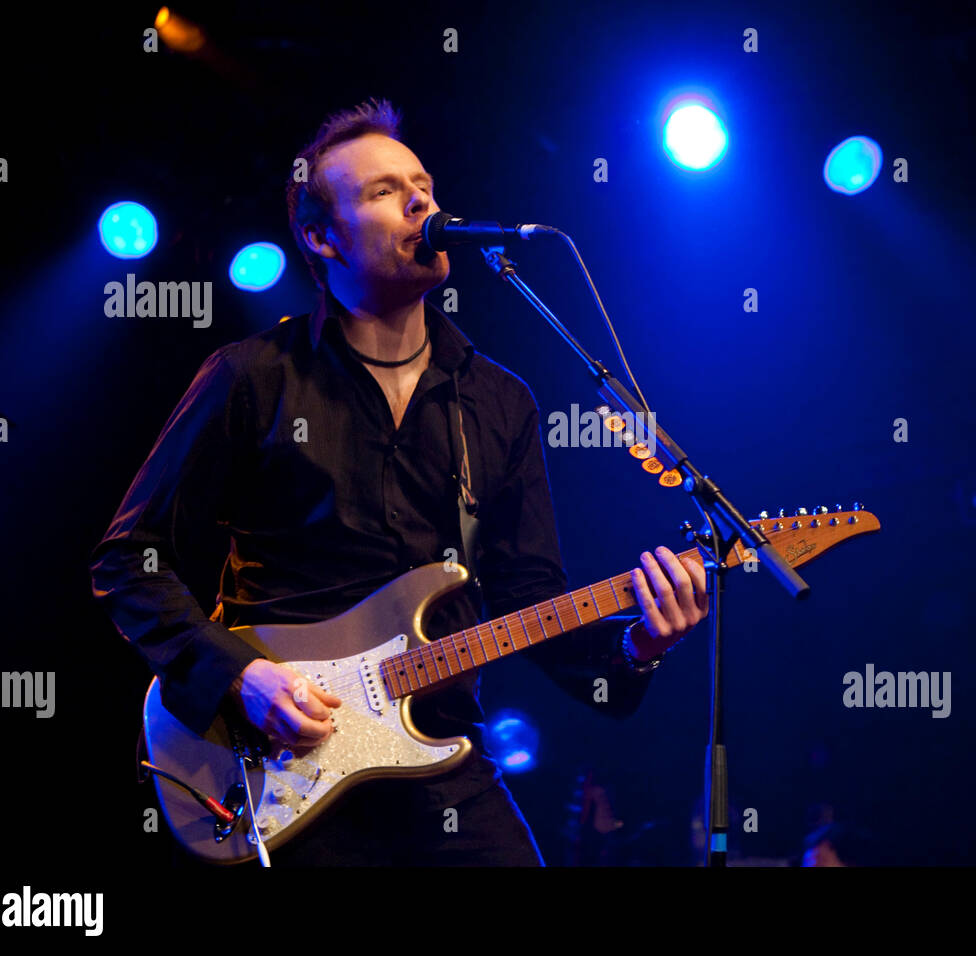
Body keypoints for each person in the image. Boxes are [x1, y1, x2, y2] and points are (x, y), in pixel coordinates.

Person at [89, 97, 708, 866]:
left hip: (441, 765)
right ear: (322, 237)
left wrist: (641, 646)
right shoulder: (253, 379)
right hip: (282, 761)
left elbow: (532, 602)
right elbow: (127, 560)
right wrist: (240, 675)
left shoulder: (499, 402)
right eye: (384, 191)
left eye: (422, 182)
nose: (421, 199)